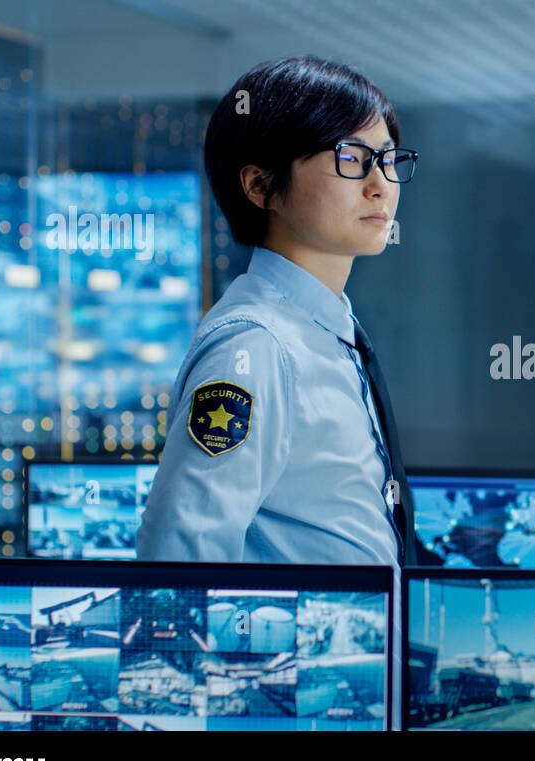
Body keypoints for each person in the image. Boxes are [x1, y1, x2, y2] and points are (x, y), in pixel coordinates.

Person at [136, 55, 418, 570]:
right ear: (261, 186)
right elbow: (181, 558)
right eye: (351, 158)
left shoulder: (326, 330)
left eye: (388, 159)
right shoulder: (256, 346)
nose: (381, 185)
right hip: (302, 649)